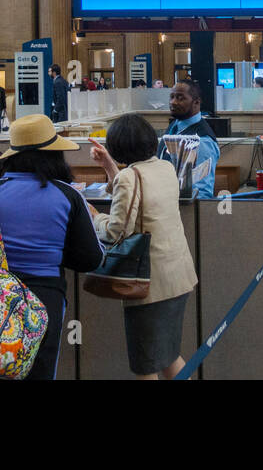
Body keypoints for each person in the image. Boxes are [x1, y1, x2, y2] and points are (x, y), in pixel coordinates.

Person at [0, 115, 103, 380]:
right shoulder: (68, 196)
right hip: (45, 301)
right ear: (53, 155)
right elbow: (92, 259)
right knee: (39, 371)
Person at [89, 114, 197, 379]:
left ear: (119, 146)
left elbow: (117, 232)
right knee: (169, 355)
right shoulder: (165, 168)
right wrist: (109, 166)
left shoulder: (129, 177)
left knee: (145, 365)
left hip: (149, 285)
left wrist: (95, 218)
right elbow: (137, 193)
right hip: (177, 278)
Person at [163, 81, 220, 199]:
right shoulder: (175, 126)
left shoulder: (202, 141)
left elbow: (202, 194)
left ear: (196, 102)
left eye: (180, 98)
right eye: (172, 97)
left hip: (182, 212)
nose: (173, 102)